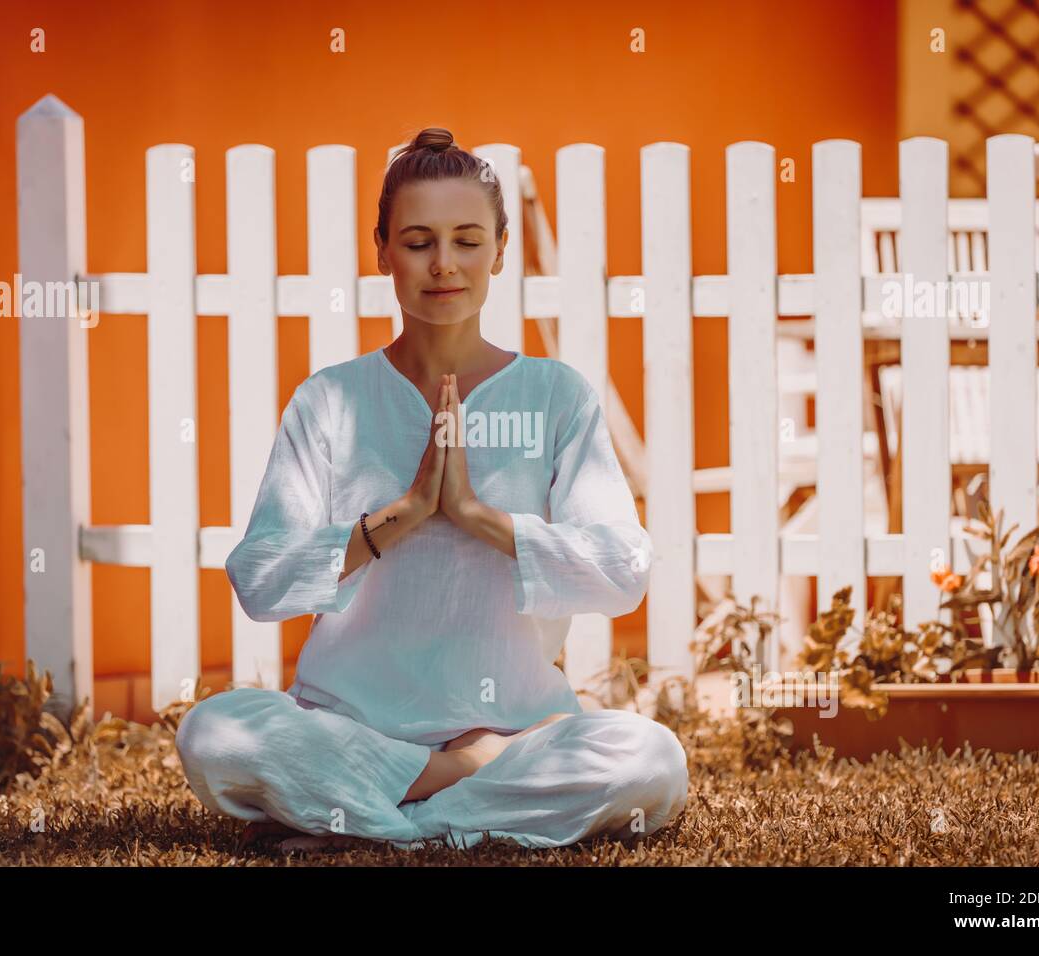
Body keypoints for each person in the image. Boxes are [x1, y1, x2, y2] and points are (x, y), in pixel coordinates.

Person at [174, 126, 689, 851]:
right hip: (352, 724)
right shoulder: (329, 399)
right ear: (381, 248)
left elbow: (622, 571)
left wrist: (479, 517)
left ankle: (385, 818)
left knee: (653, 760)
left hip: (512, 725)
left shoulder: (555, 395)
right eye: (417, 242)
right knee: (214, 733)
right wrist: (402, 515)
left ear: (500, 250)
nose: (443, 265)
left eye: (467, 240)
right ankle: (461, 782)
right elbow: (260, 580)